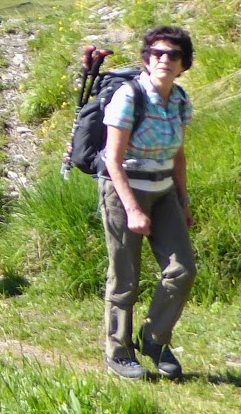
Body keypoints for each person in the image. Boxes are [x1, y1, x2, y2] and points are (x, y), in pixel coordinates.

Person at [99, 26, 197, 381]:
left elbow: (180, 155)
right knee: (125, 277)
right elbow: (113, 159)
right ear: (146, 58)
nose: (164, 60)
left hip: (164, 191)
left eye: (173, 55)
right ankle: (118, 351)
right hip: (124, 193)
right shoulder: (129, 97)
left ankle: (154, 339)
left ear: (184, 64)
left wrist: (183, 199)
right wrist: (133, 209)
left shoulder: (181, 100)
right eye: (157, 53)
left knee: (182, 270)